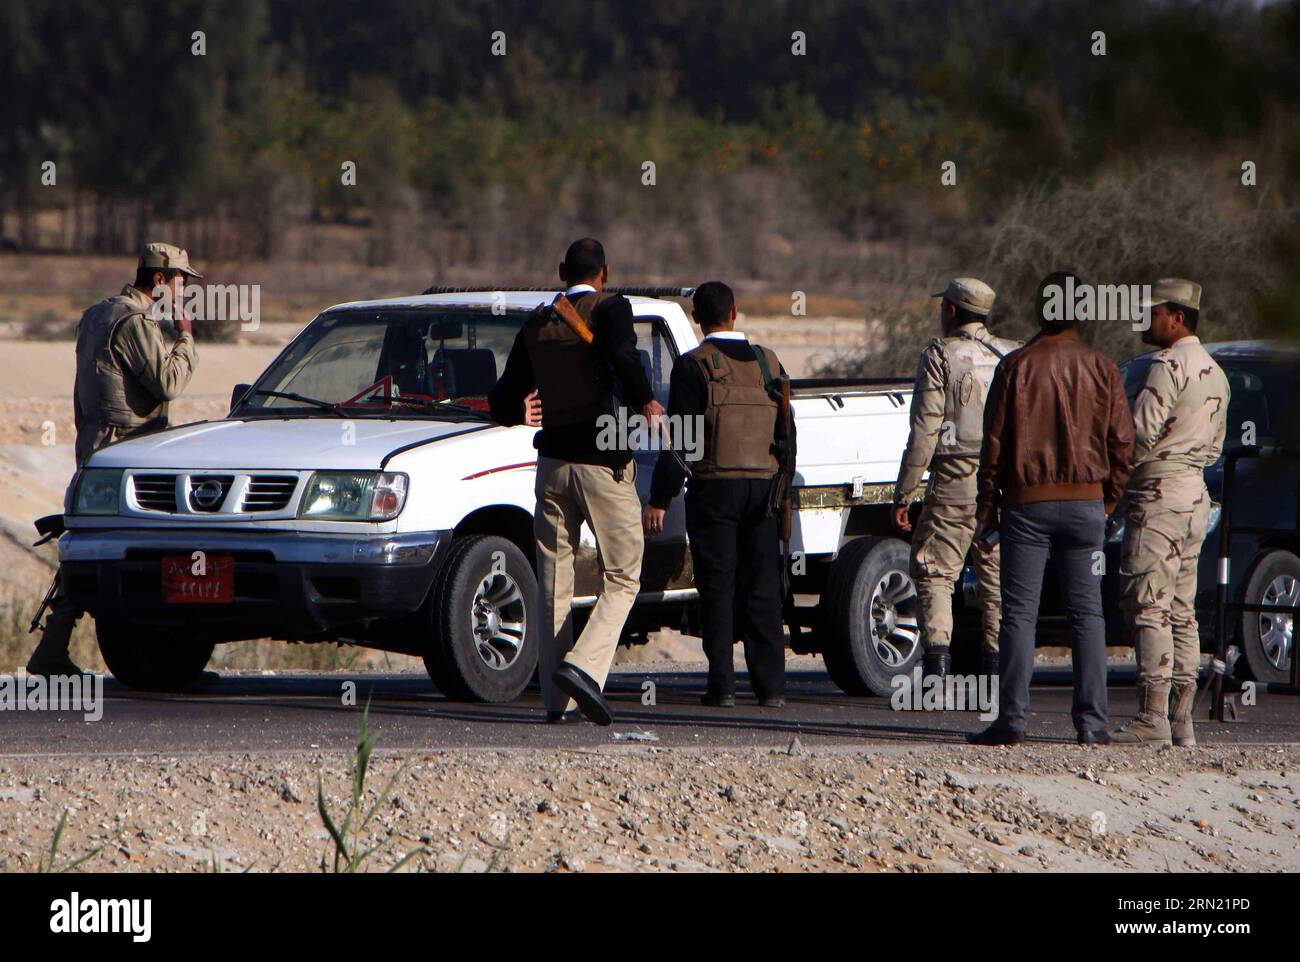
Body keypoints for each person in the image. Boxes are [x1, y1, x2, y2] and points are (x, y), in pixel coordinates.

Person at [488, 238, 663, 725]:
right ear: (605, 272)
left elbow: (503, 398)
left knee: (553, 582)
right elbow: (627, 359)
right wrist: (647, 400)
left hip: (552, 467)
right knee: (625, 575)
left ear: (561, 270)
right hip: (602, 464)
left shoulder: (538, 322)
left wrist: (515, 413)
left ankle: (553, 703)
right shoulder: (612, 309)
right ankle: (584, 668)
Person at [969, 271, 1134, 746]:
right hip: (1086, 506)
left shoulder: (1016, 366)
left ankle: (1012, 722)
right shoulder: (1103, 367)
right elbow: (1123, 444)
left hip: (1026, 505)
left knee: (1019, 614)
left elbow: (994, 447)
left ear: (1042, 310)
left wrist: (986, 509)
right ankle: (1092, 724)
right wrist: (1107, 500)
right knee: (1088, 615)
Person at [27, 243, 201, 677]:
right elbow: (167, 384)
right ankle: (164, 656)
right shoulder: (136, 321)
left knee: (92, 545)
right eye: (181, 281)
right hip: (129, 449)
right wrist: (186, 337)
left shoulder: (97, 314)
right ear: (160, 280)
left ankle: (54, 648)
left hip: (96, 444)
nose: (184, 291)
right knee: (148, 548)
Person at [643, 281, 794, 707]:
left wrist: (659, 498)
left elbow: (683, 440)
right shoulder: (769, 362)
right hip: (764, 491)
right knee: (763, 589)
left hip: (715, 492)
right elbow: (787, 434)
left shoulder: (695, 365)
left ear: (696, 319)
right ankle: (772, 690)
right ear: (735, 312)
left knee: (719, 589)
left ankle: (723, 687)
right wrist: (782, 485)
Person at [1112, 279, 1228, 747]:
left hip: (1158, 493)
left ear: (1176, 317)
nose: (1146, 320)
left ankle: (1152, 716)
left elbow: (1140, 435)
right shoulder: (1215, 371)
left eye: (1153, 312)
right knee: (1182, 609)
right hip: (1195, 493)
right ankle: (1182, 720)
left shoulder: (1166, 366)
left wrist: (1111, 479)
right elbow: (1217, 446)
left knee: (1148, 603)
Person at [892, 278, 1020, 683]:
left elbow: (925, 430)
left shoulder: (940, 355)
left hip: (954, 476)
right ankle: (996, 669)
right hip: (1004, 480)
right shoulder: (1012, 354)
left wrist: (904, 492)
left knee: (935, 571)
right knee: (996, 575)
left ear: (950, 311)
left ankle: (938, 670)